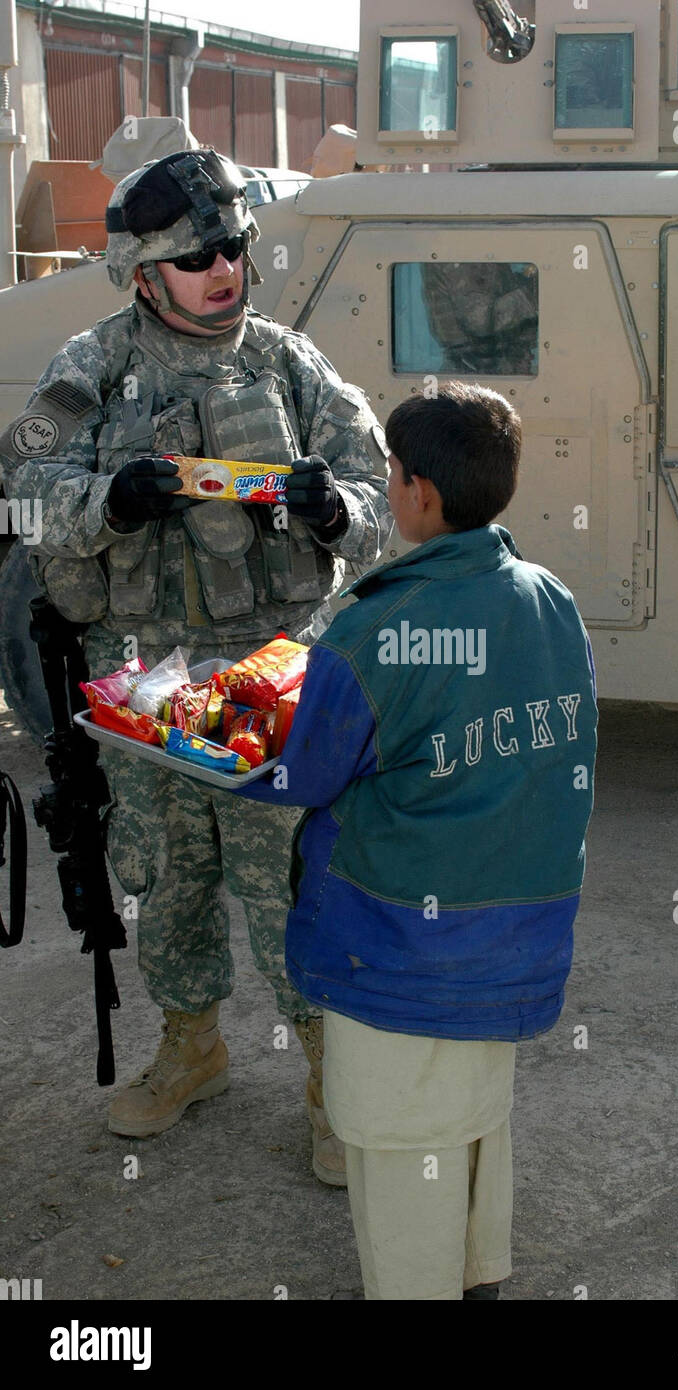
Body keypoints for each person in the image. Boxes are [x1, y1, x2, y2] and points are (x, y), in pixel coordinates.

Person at [0, 147, 392, 1182]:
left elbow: (377, 486)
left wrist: (337, 510)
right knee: (166, 879)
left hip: (268, 679)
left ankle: (328, 1079)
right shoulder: (86, 369)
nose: (223, 266)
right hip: (140, 686)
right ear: (142, 272)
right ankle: (193, 1046)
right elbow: (21, 481)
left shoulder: (289, 365)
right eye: (196, 255)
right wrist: (104, 502)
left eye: (232, 247)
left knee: (290, 886)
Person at [236, 382, 598, 1299]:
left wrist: (211, 754)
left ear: (419, 491)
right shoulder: (550, 599)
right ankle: (480, 1267)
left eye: (391, 475)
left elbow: (312, 774)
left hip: (395, 939)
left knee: (398, 1141)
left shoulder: (376, 626)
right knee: (476, 1113)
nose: (387, 491)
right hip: (512, 931)